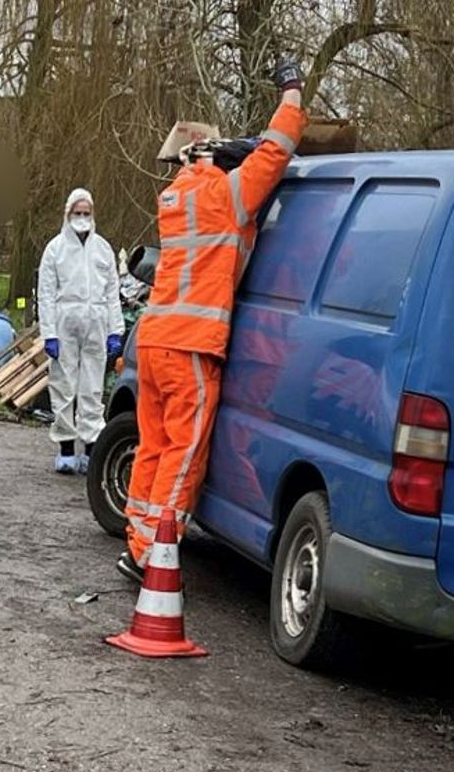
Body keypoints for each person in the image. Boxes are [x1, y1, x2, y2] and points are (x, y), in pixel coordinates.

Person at [119, 59, 308, 582]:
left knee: (153, 447)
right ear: (229, 164)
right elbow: (276, 148)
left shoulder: (176, 198)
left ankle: (136, 539)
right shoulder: (228, 196)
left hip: (156, 338)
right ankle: (158, 553)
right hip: (193, 346)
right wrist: (291, 91)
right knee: (184, 452)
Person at [37, 188, 124, 474]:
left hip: (96, 322)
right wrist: (49, 333)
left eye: (87, 213)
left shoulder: (103, 249)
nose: (82, 218)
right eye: (78, 213)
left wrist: (115, 330)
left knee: (92, 388)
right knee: (63, 386)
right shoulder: (56, 249)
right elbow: (46, 294)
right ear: (67, 214)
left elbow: (113, 291)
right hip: (65, 321)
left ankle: (89, 449)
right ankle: (65, 448)